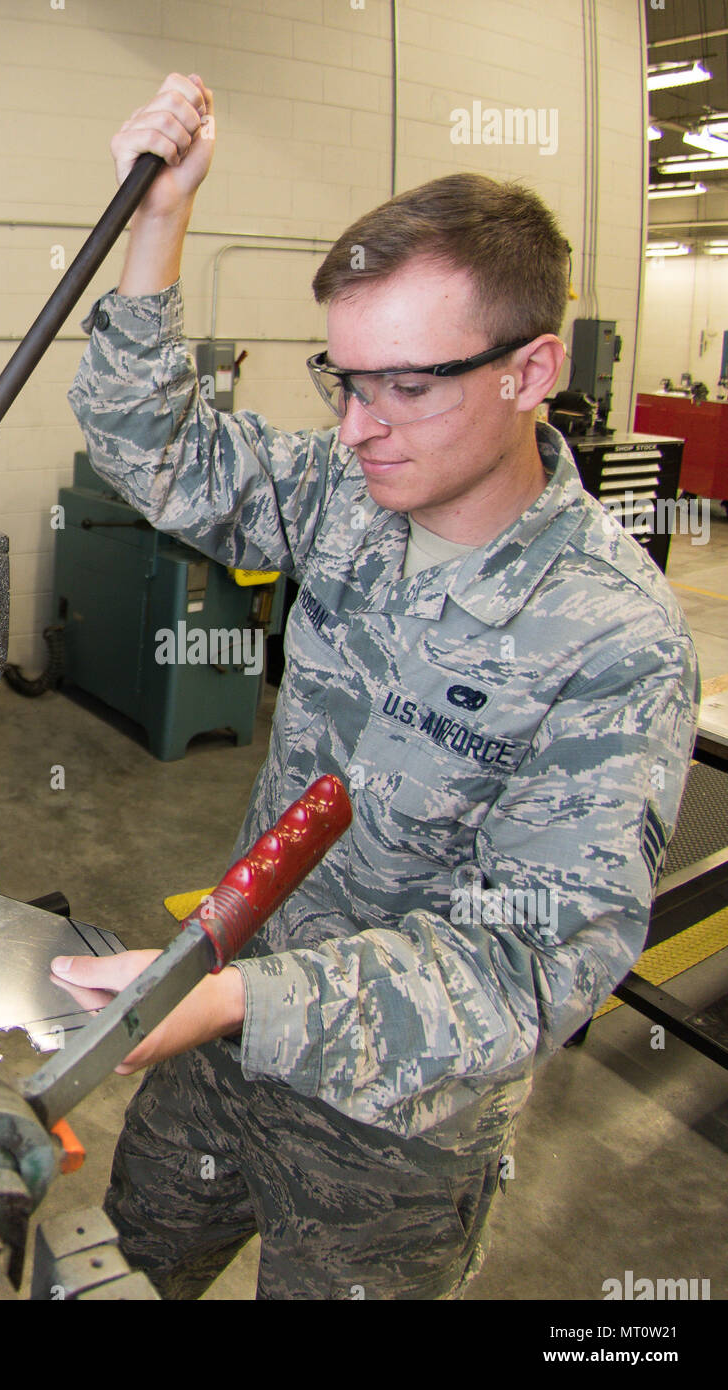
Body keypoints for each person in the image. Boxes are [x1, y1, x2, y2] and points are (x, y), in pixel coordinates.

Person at [52, 73, 699, 1299]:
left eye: (407, 384)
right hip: (219, 1029)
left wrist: (247, 997)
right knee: (116, 1271)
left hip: (392, 1128)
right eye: (343, 380)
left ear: (529, 370)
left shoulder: (612, 637)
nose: (358, 426)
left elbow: (534, 959)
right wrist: (161, 214)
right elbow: (155, 446)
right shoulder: (351, 498)